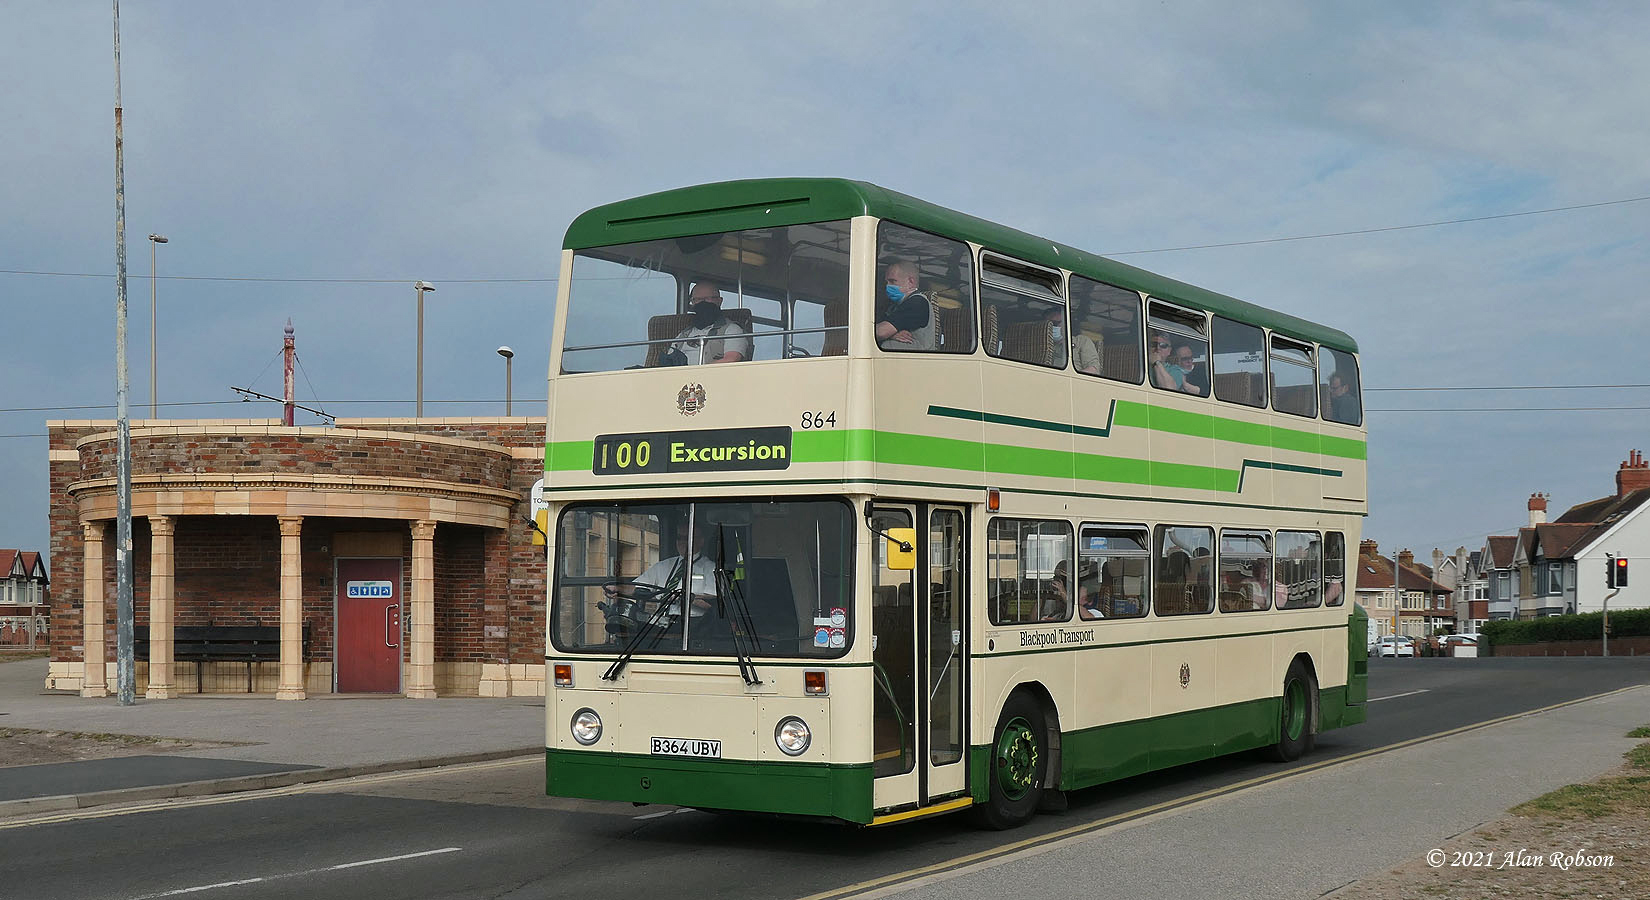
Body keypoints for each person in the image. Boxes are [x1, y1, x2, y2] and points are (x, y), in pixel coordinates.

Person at [605, 525, 719, 620]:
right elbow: (638, 587)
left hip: (695, 625)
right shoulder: (663, 566)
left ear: (701, 541)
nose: (683, 542)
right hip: (661, 623)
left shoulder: (710, 568)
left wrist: (684, 597)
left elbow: (713, 604)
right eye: (680, 538)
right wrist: (618, 589)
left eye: (688, 538)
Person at [662, 282, 751, 365]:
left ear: (719, 301)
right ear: (692, 302)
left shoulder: (732, 330)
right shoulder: (684, 334)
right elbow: (669, 361)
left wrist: (701, 371)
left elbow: (732, 359)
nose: (704, 303)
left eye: (709, 299)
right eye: (699, 300)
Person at [875, 260, 935, 351]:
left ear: (910, 282)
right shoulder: (893, 306)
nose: (887, 286)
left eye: (892, 281)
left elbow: (881, 332)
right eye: (886, 282)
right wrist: (891, 334)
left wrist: (886, 333)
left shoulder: (917, 303)